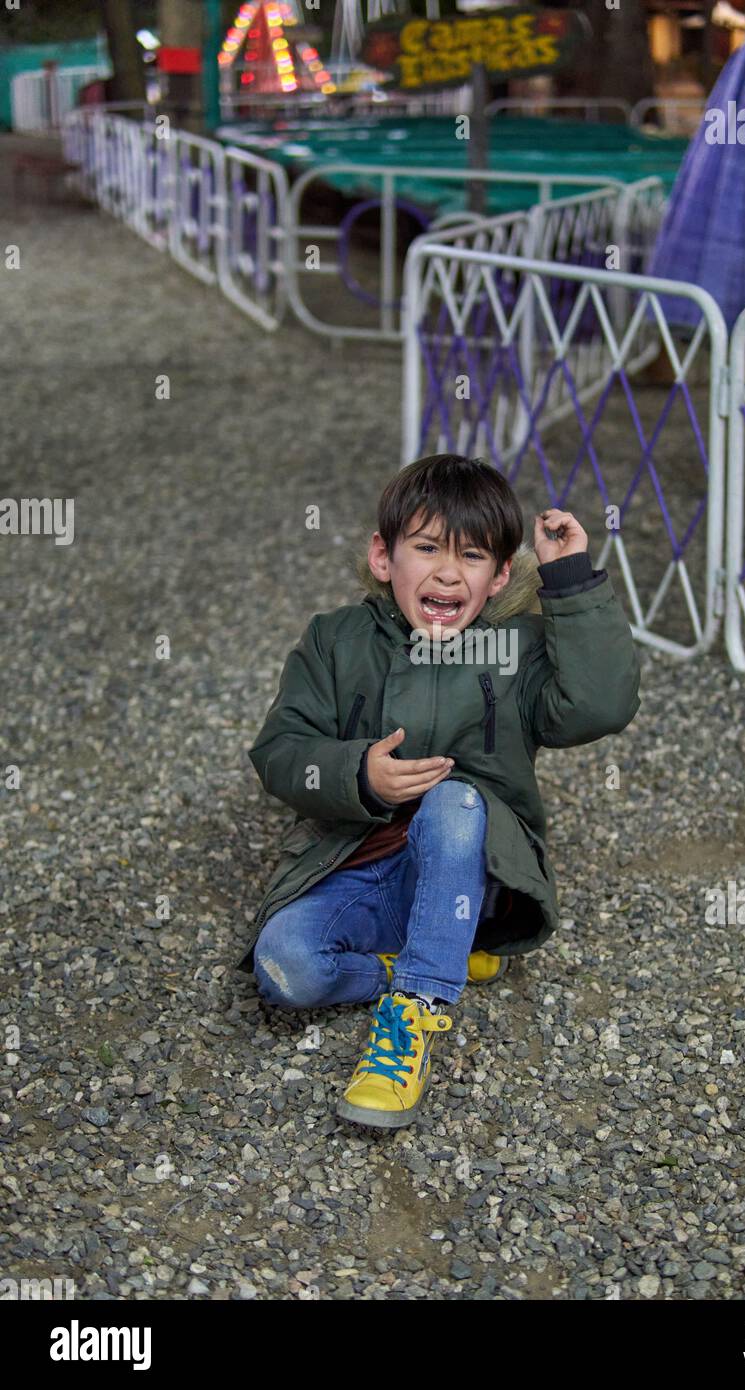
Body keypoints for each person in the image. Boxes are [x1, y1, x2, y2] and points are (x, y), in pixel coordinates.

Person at [234, 453, 641, 1128]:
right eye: (426, 549)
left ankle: (415, 1010)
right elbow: (280, 754)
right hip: (357, 860)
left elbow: (603, 705)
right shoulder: (335, 641)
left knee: (456, 798)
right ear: (384, 556)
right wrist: (356, 772)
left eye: (473, 556)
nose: (449, 572)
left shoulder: (515, 648)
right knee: (285, 970)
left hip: (466, 873)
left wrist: (569, 578)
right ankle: (426, 956)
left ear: (501, 574)